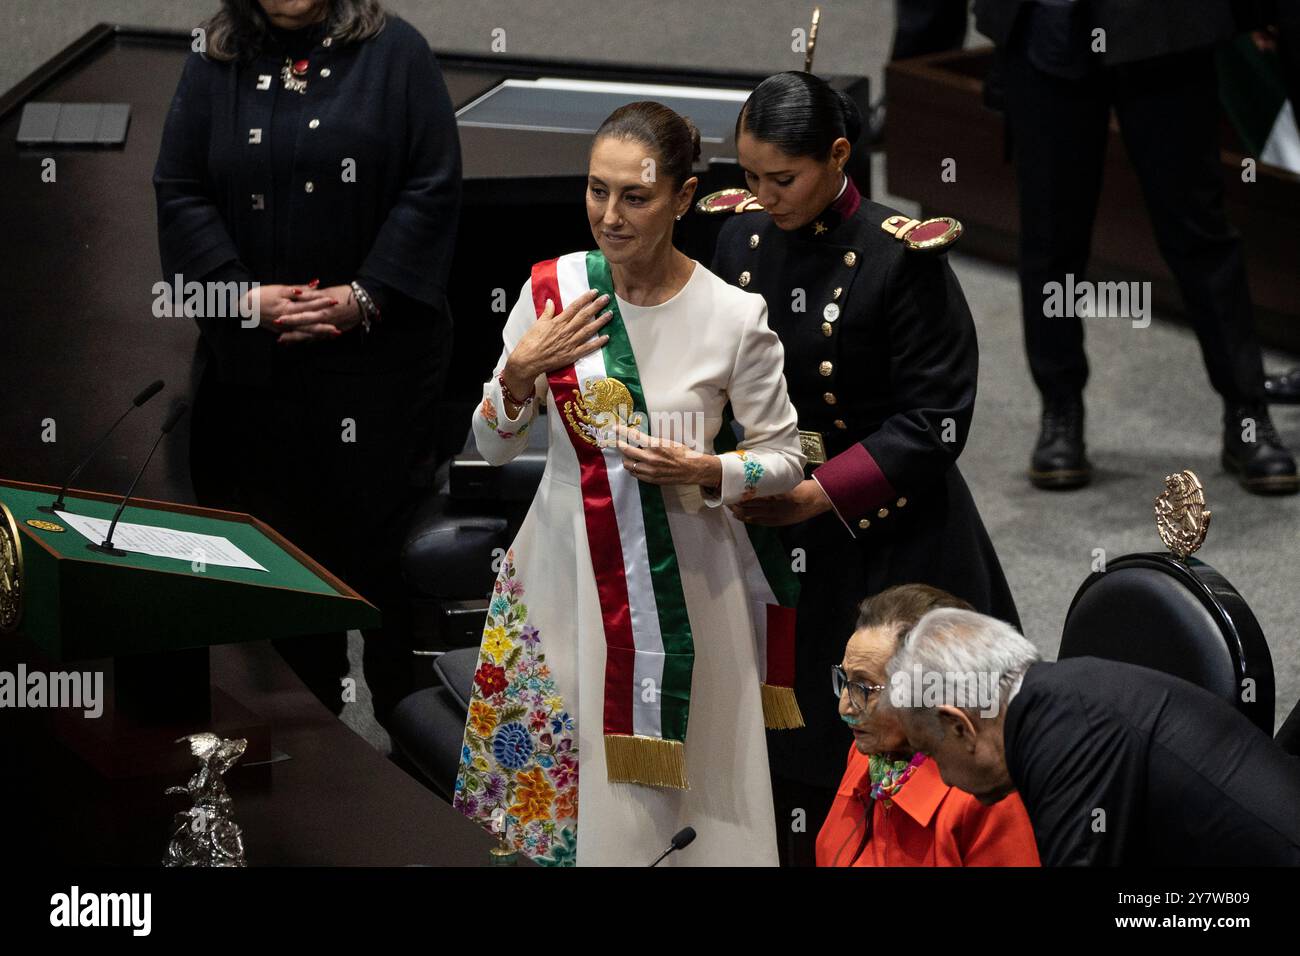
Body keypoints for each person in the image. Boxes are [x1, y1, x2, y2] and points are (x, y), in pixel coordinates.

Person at [451, 101, 806, 866]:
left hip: (686, 594)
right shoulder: (552, 292)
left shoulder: (733, 317)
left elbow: (784, 458)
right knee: (561, 791)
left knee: (690, 794)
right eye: (596, 190)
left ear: (683, 199)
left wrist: (710, 470)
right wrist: (519, 370)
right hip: (562, 575)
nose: (609, 217)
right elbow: (492, 447)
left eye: (635, 197)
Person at [707, 70, 1020, 865]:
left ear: (840, 154)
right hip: (777, 529)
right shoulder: (737, 237)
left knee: (904, 739)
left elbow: (935, 422)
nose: (763, 195)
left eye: (783, 178)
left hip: (890, 533)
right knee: (792, 735)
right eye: (748, 177)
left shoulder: (900, 259)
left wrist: (819, 494)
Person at [153, 0, 462, 726]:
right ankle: (311, 764)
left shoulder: (398, 55)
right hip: (259, 386)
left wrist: (367, 295)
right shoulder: (213, 57)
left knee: (387, 589)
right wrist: (236, 297)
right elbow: (181, 191)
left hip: (376, 379)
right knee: (285, 600)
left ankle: (412, 758)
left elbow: (432, 187)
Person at [974, 0, 1298, 494]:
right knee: (1050, 237)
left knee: (1198, 232)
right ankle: (1060, 409)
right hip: (1048, 27)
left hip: (1162, 25)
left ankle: (1246, 412)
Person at [886, 607, 1300, 865]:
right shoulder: (1056, 697)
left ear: (960, 726)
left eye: (932, 753)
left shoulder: (1066, 742)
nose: (944, 778)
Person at [818, 584, 1039, 866]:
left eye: (866, 687)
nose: (845, 707)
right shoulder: (867, 755)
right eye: (845, 680)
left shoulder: (988, 799)